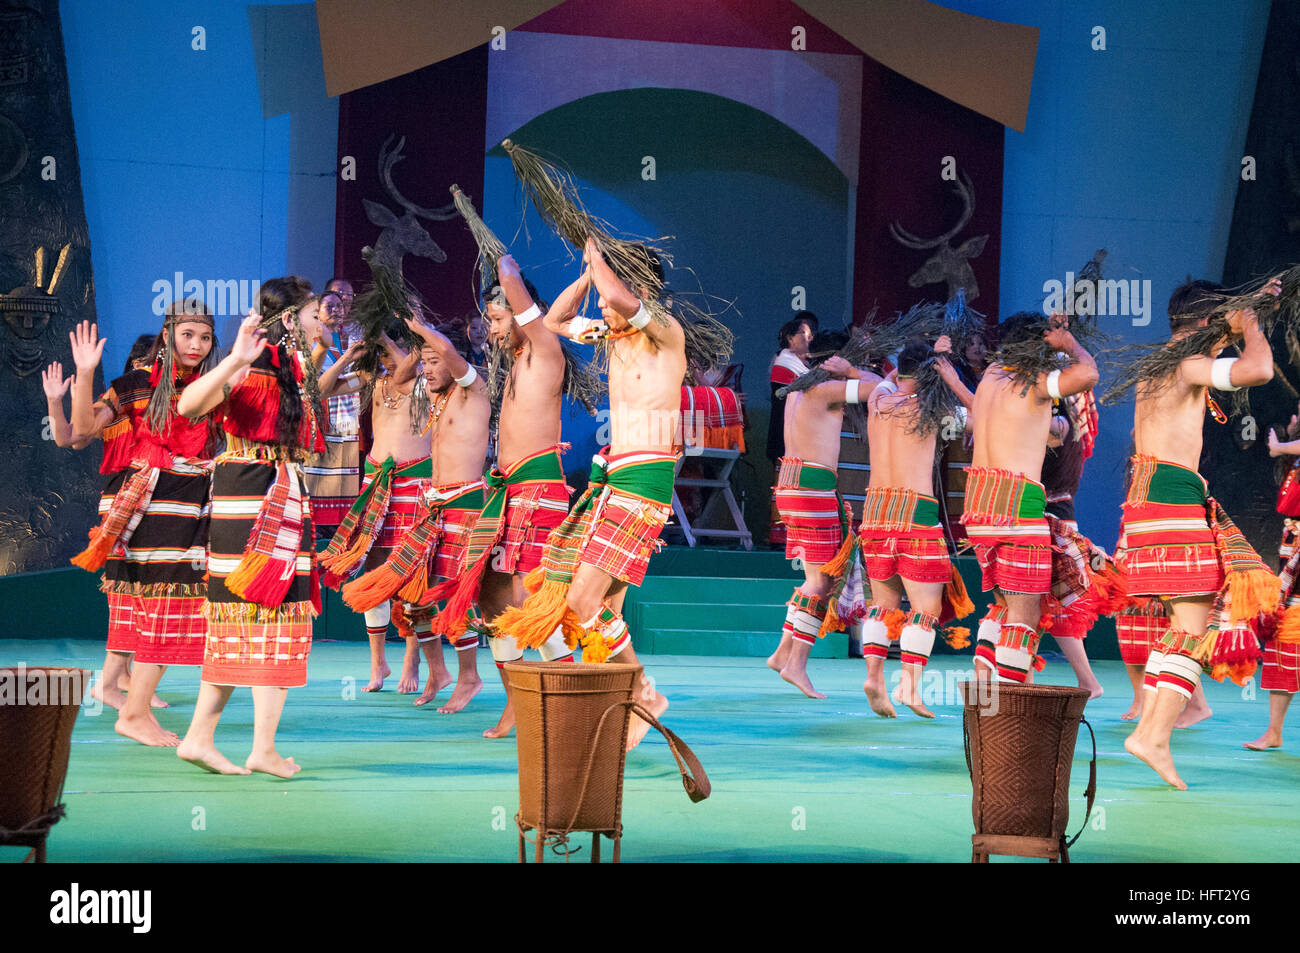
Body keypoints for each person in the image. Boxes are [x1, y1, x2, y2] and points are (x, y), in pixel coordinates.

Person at [495, 239, 681, 752]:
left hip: (642, 483)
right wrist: (585, 270)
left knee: (581, 601)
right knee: (608, 612)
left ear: (642, 288)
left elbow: (619, 298)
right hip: (614, 481)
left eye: (605, 294)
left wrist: (600, 260)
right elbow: (555, 320)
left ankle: (644, 690)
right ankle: (626, 706)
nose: (600, 306)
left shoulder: (665, 333)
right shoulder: (611, 337)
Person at [1121, 278, 1278, 789]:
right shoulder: (1183, 364)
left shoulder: (1163, 362)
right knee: (1195, 626)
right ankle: (1154, 738)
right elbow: (1260, 369)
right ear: (1209, 321)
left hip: (1153, 498)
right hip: (1170, 499)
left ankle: (1149, 726)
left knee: (1181, 622)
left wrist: (1239, 318)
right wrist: (1250, 324)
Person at [415, 254, 576, 738]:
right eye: (489, 319)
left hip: (539, 492)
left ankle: (565, 703)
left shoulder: (547, 351)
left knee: (531, 603)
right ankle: (517, 705)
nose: (492, 328)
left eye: (500, 317)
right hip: (505, 495)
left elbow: (518, 292)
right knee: (492, 605)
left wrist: (501, 262)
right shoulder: (512, 368)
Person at [174, 277, 327, 778]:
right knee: (245, 618)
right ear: (289, 320)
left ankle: (251, 746)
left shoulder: (294, 369)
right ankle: (204, 737)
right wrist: (236, 357)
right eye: (315, 313)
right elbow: (188, 405)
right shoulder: (251, 364)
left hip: (280, 490)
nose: (323, 319)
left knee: (274, 623)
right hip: (250, 495)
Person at [68, 305, 220, 746]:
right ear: (167, 335)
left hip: (192, 508)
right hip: (152, 510)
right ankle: (134, 712)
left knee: (161, 610)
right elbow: (81, 429)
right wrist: (84, 374)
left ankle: (132, 705)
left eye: (204, 338)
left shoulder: (209, 388)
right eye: (187, 334)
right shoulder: (133, 387)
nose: (196, 345)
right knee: (165, 609)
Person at [342, 316, 492, 712]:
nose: (425, 367)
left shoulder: (472, 390)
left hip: (464, 503)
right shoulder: (435, 399)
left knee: (454, 596)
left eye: (432, 360)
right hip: (434, 505)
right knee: (416, 597)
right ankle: (439, 671)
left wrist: (416, 325)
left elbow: (440, 352)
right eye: (423, 361)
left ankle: (470, 676)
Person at [961, 311, 1099, 684]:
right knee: (1026, 616)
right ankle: (1005, 711)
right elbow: (1088, 374)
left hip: (978, 505)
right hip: (1016, 505)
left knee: (1004, 607)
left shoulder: (990, 376)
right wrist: (1069, 344)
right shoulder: (1035, 381)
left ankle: (983, 690)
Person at [44, 333, 166, 713]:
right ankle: (112, 681)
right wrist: (57, 397)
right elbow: (68, 436)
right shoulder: (120, 401)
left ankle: (125, 678)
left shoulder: (167, 403)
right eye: (146, 363)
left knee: (137, 592)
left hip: (154, 498)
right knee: (133, 593)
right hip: (128, 498)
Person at [857, 336, 975, 717]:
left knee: (883, 605)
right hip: (915, 514)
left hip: (875, 513)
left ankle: (874, 678)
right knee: (925, 607)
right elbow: (982, 415)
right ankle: (908, 687)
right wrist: (951, 376)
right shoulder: (933, 409)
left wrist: (924, 360)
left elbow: (892, 378)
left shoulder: (878, 399)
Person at [764, 330, 881, 699]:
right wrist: (850, 371)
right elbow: (880, 389)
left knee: (815, 578)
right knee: (822, 582)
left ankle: (783, 652)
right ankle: (797, 663)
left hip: (791, 486)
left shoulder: (799, 388)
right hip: (812, 491)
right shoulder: (826, 389)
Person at [319, 334, 430, 695]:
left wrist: (386, 337)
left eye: (391, 350)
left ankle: (412, 656)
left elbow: (407, 365)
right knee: (373, 570)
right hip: (375, 480)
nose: (386, 359)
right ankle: (378, 662)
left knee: (409, 574)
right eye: (380, 352)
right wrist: (350, 355)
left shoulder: (426, 380)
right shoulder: (372, 378)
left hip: (415, 479)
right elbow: (319, 390)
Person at [1241, 407, 1300, 750]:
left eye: (1297, 416)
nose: (1291, 419)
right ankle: (1274, 732)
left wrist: (1280, 447)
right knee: (1284, 643)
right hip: (1291, 551)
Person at [304, 289, 362, 534]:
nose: (336, 310)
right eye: (329, 306)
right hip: (320, 421)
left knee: (341, 484)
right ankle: (314, 534)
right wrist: (348, 360)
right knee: (317, 482)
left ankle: (336, 537)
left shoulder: (348, 339)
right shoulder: (310, 341)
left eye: (339, 306)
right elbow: (314, 386)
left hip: (345, 423)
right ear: (316, 312)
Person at [766, 312, 817, 463]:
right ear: (790, 338)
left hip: (803, 433)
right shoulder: (784, 362)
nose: (809, 337)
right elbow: (804, 390)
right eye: (803, 333)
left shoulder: (809, 365)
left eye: (810, 334)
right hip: (785, 433)